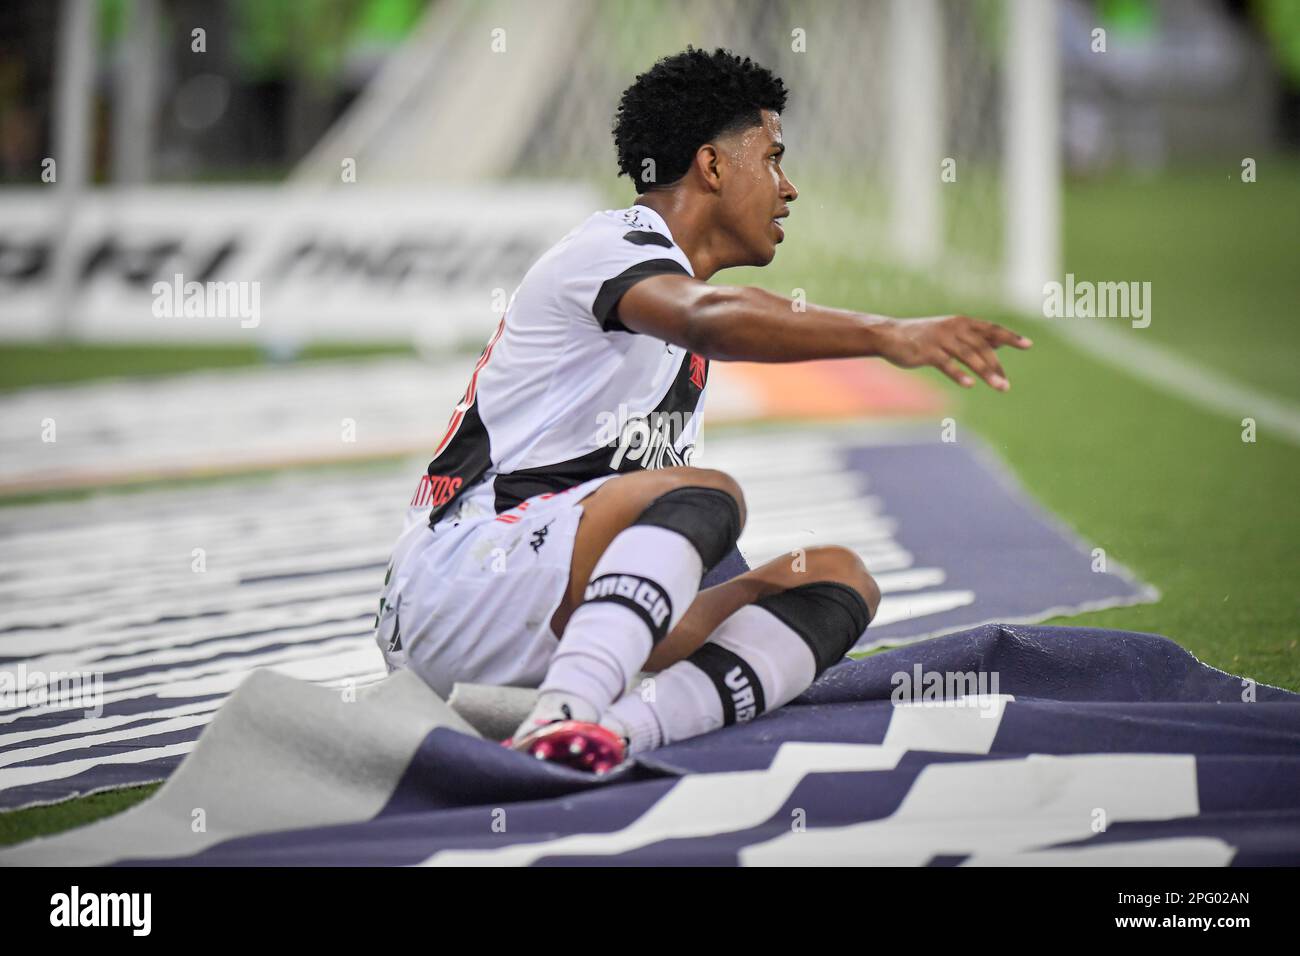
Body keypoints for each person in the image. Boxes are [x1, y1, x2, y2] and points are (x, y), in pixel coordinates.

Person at [374, 47, 1031, 772]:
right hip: (461, 580)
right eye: (773, 158)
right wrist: (886, 332)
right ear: (713, 167)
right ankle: (560, 718)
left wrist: (746, 609)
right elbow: (708, 317)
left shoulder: (668, 302)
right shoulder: (610, 246)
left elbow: (672, 534)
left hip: (546, 597)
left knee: (836, 579)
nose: (789, 188)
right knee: (705, 493)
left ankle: (612, 736)